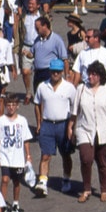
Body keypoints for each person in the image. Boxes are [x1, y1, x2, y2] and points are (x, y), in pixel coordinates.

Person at [70, 61, 106, 203]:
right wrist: (70, 128)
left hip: (103, 131)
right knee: (86, 159)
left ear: (100, 76)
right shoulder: (81, 89)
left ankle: (104, 190)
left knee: (102, 160)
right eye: (89, 73)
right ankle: (86, 189)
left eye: (94, 74)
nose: (90, 77)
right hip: (84, 129)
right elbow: (74, 112)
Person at [33, 58, 77, 196]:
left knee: (66, 155)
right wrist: (39, 122)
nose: (55, 74)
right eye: (53, 71)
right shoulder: (42, 86)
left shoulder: (69, 88)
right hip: (47, 124)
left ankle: (66, 178)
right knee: (45, 155)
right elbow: (37, 104)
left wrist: (72, 127)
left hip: (63, 124)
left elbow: (75, 107)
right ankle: (43, 182)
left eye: (58, 72)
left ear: (62, 72)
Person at [0, 95, 32, 212]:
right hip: (5, 155)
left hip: (18, 157)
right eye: (8, 105)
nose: (11, 108)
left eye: (13, 105)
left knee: (17, 181)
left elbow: (25, 139)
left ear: (17, 106)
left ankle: (16, 203)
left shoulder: (22, 121)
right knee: (5, 180)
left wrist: (28, 155)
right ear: (5, 106)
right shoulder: (1, 120)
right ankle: (2, 205)